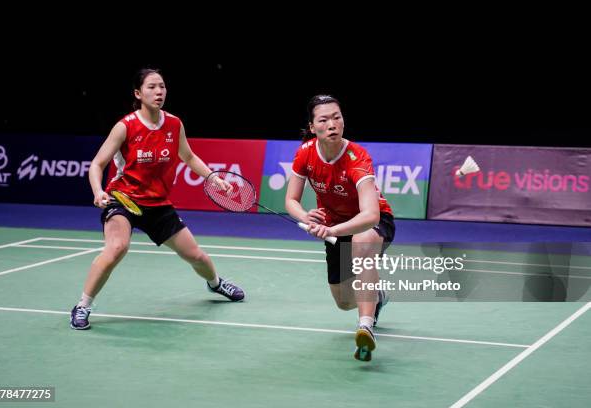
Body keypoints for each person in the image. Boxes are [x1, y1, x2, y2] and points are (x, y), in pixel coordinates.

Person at [70, 68, 245, 330]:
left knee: (196, 256)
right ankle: (83, 305)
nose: (159, 92)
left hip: (159, 204)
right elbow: (97, 164)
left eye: (162, 86)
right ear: (138, 93)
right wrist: (98, 191)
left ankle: (215, 283)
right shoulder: (125, 127)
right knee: (117, 247)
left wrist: (213, 178)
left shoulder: (174, 124)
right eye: (151, 87)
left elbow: (188, 156)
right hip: (124, 199)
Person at [285, 95, 395, 361]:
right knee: (344, 301)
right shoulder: (305, 153)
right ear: (312, 127)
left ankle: (366, 326)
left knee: (361, 246)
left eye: (337, 117)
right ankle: (377, 295)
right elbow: (291, 200)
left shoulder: (357, 157)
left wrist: (334, 231)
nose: (332, 124)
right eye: (324, 120)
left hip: (373, 224)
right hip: (334, 226)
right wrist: (307, 218)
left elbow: (370, 214)